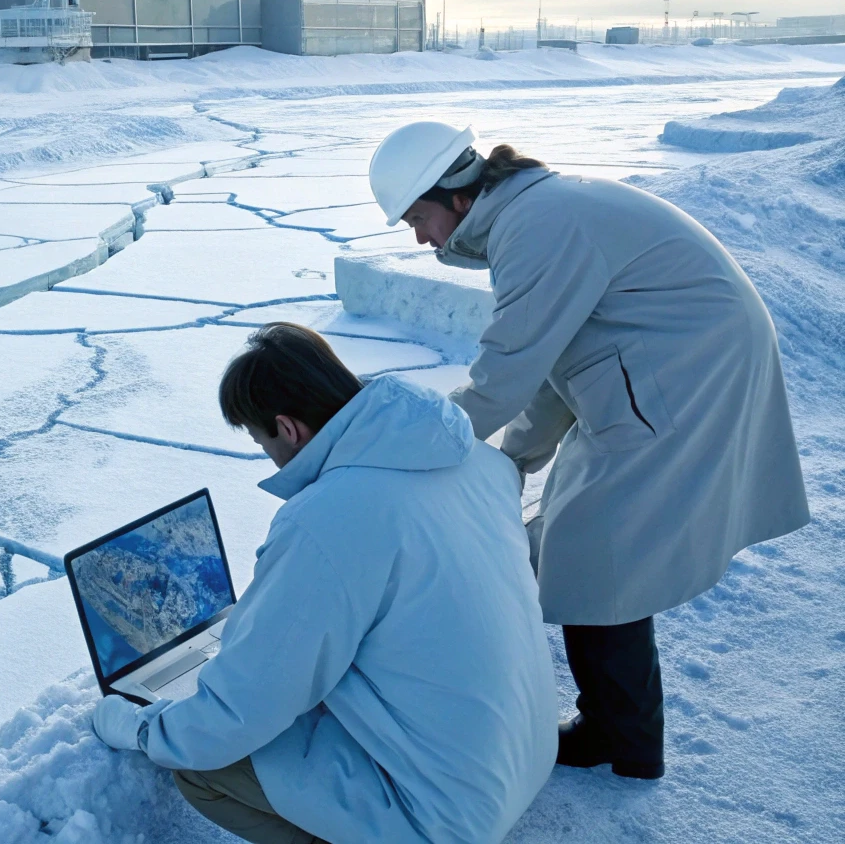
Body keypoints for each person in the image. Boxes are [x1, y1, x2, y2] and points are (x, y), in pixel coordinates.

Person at [368, 121, 811, 780]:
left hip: (681, 376)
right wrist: (512, 457)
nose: (420, 237)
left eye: (417, 217)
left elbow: (504, 371)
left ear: (455, 196)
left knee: (598, 560)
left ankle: (624, 741)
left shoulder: (535, 228)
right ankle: (616, 729)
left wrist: (407, 451)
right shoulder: (534, 213)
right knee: (589, 554)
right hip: (660, 370)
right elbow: (554, 365)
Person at [91, 322, 557, 844]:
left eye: (259, 438)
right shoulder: (481, 462)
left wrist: (138, 728)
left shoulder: (327, 519)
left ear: (287, 428)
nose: (266, 452)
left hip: (445, 814)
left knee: (203, 771)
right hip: (524, 755)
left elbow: (236, 716)